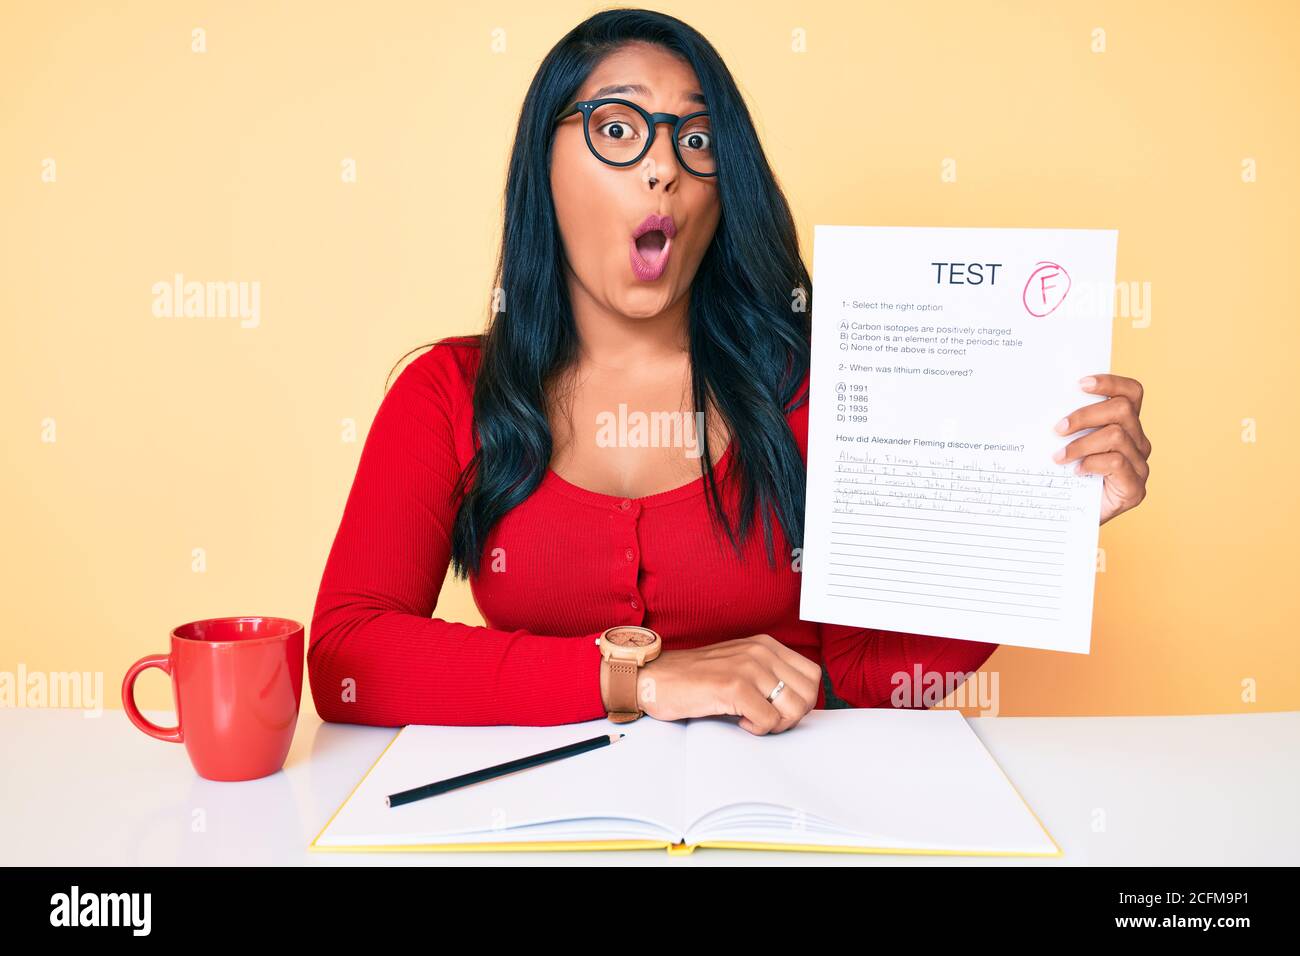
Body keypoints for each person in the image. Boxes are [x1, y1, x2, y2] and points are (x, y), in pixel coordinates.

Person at [307, 9, 1151, 735]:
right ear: (544, 165)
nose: (664, 165)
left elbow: (870, 675)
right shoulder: (448, 395)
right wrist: (637, 679)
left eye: (698, 138)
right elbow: (350, 656)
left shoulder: (820, 385)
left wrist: (1045, 525)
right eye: (616, 127)